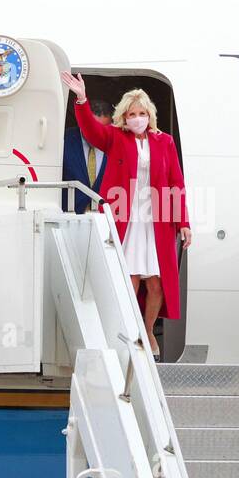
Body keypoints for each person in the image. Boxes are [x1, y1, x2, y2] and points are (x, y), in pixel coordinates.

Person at [62, 71, 192, 357]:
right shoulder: (116, 138)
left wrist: (183, 222)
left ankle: (147, 331)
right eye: (132, 113)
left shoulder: (164, 142)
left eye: (142, 113)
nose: (137, 117)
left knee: (156, 282)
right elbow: (90, 131)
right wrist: (82, 100)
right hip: (127, 216)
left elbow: (176, 182)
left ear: (149, 115)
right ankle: (130, 331)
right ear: (124, 116)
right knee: (130, 279)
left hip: (156, 218)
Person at [61, 97, 111, 213]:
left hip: (104, 218)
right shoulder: (63, 141)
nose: (96, 134)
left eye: (102, 129)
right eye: (91, 127)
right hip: (68, 217)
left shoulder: (117, 144)